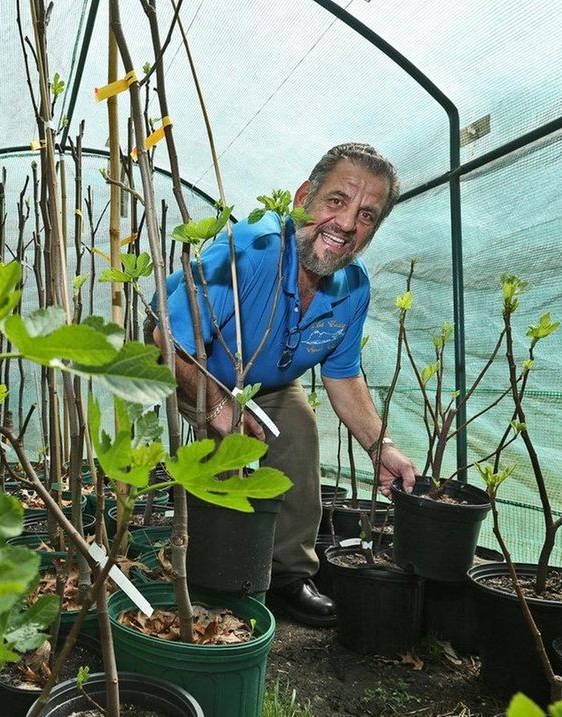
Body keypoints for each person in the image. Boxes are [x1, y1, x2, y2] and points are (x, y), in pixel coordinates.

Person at [152, 142, 418, 626]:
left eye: (366, 216)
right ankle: (215, 581)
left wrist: (382, 447)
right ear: (302, 199)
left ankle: (288, 577)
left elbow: (344, 376)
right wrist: (217, 409)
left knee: (297, 435)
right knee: (225, 452)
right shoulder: (249, 251)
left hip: (262, 382)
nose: (345, 223)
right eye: (336, 201)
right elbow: (172, 340)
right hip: (191, 360)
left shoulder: (352, 287)